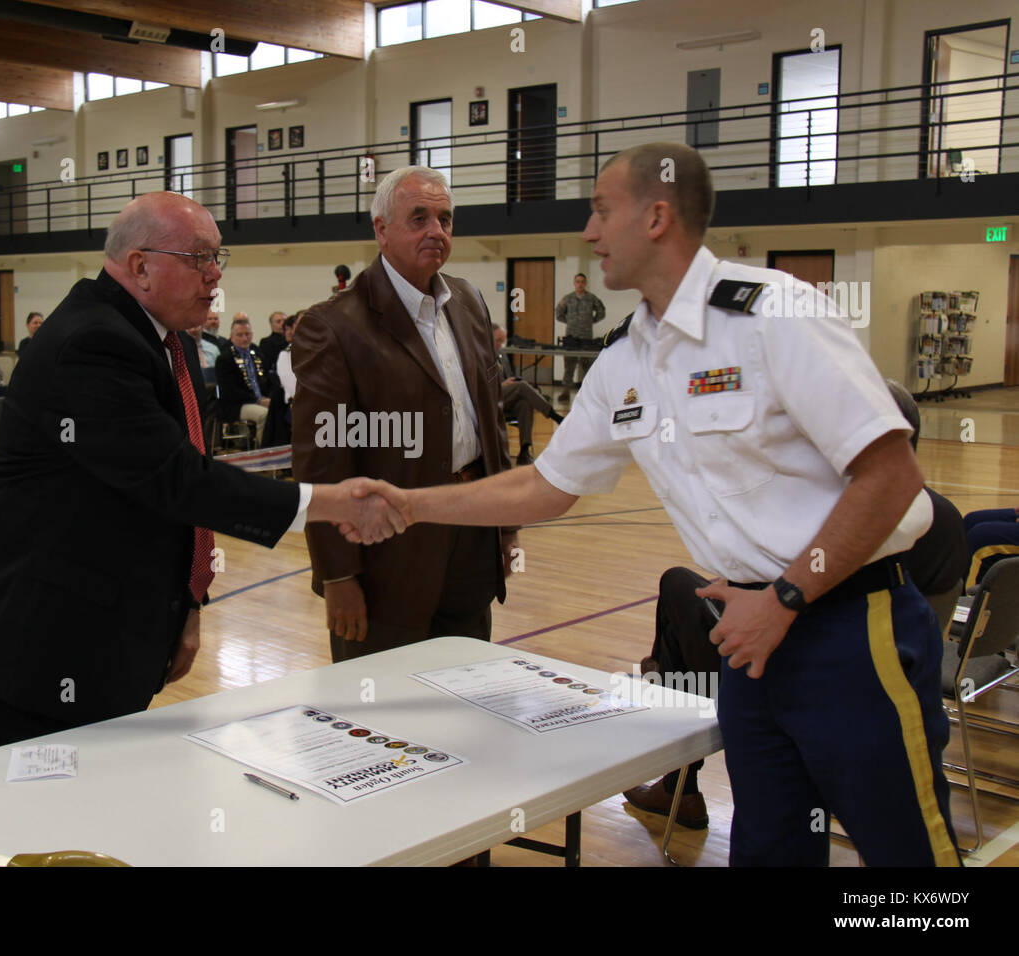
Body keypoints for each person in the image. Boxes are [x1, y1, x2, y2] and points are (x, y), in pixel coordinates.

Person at [355, 143, 958, 868]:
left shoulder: (776, 315)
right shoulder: (628, 360)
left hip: (848, 633)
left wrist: (788, 598)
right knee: (770, 850)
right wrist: (411, 505)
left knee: (908, 862)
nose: (589, 231)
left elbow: (891, 478)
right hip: (750, 642)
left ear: (657, 216)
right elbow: (546, 485)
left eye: (603, 210)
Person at [0, 190, 404, 754]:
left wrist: (187, 607)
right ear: (140, 266)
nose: (214, 278)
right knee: (28, 826)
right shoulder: (93, 343)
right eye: (200, 259)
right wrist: (328, 502)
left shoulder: (153, 338)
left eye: (217, 260)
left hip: (96, 636)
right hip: (33, 647)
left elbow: (160, 501)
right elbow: (179, 480)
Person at [622, 379, 968, 831]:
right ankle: (675, 694)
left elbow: (796, 602)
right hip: (904, 677)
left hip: (795, 671)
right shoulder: (942, 515)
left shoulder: (847, 521)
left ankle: (679, 770)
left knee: (678, 589)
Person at [292, 165, 518, 663]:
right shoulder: (332, 326)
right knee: (385, 718)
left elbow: (491, 423)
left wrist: (506, 527)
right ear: (381, 229)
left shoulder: (470, 301)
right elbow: (320, 464)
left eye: (445, 219)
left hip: (473, 537)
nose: (436, 231)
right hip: (385, 557)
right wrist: (338, 575)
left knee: (467, 690)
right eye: (419, 218)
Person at [492, 325, 564, 464]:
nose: (500, 344)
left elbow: (510, 376)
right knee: (521, 387)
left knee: (525, 403)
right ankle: (554, 415)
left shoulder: (502, 354)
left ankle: (524, 451)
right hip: (490, 398)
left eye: (503, 341)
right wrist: (502, 385)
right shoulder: (481, 355)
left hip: (504, 398)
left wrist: (511, 381)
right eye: (498, 340)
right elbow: (479, 384)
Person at [215, 316, 271, 438]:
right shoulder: (225, 359)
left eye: (247, 334)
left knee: (281, 409)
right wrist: (258, 400)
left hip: (260, 401)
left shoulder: (257, 356)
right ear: (231, 336)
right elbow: (230, 391)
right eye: (240, 335)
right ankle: (262, 452)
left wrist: (270, 398)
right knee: (265, 415)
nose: (245, 338)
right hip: (236, 405)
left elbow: (267, 381)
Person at [555, 271, 606, 403]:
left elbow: (601, 312)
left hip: (586, 337)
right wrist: (570, 322)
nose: (580, 284)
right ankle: (565, 391)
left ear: (585, 284)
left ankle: (587, 393)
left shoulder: (592, 298)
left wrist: (591, 321)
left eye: (582, 282)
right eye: (577, 281)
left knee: (587, 366)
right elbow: (558, 313)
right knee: (569, 365)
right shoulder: (567, 298)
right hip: (571, 336)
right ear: (574, 283)